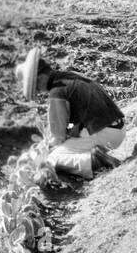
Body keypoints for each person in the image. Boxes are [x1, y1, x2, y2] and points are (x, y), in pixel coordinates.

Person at [15, 47, 124, 179]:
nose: (39, 92)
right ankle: (95, 154)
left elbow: (58, 135)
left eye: (36, 87)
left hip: (106, 134)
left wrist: (46, 148)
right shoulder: (71, 76)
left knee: (52, 158)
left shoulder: (57, 92)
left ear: (41, 77)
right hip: (117, 127)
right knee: (68, 144)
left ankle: (96, 160)